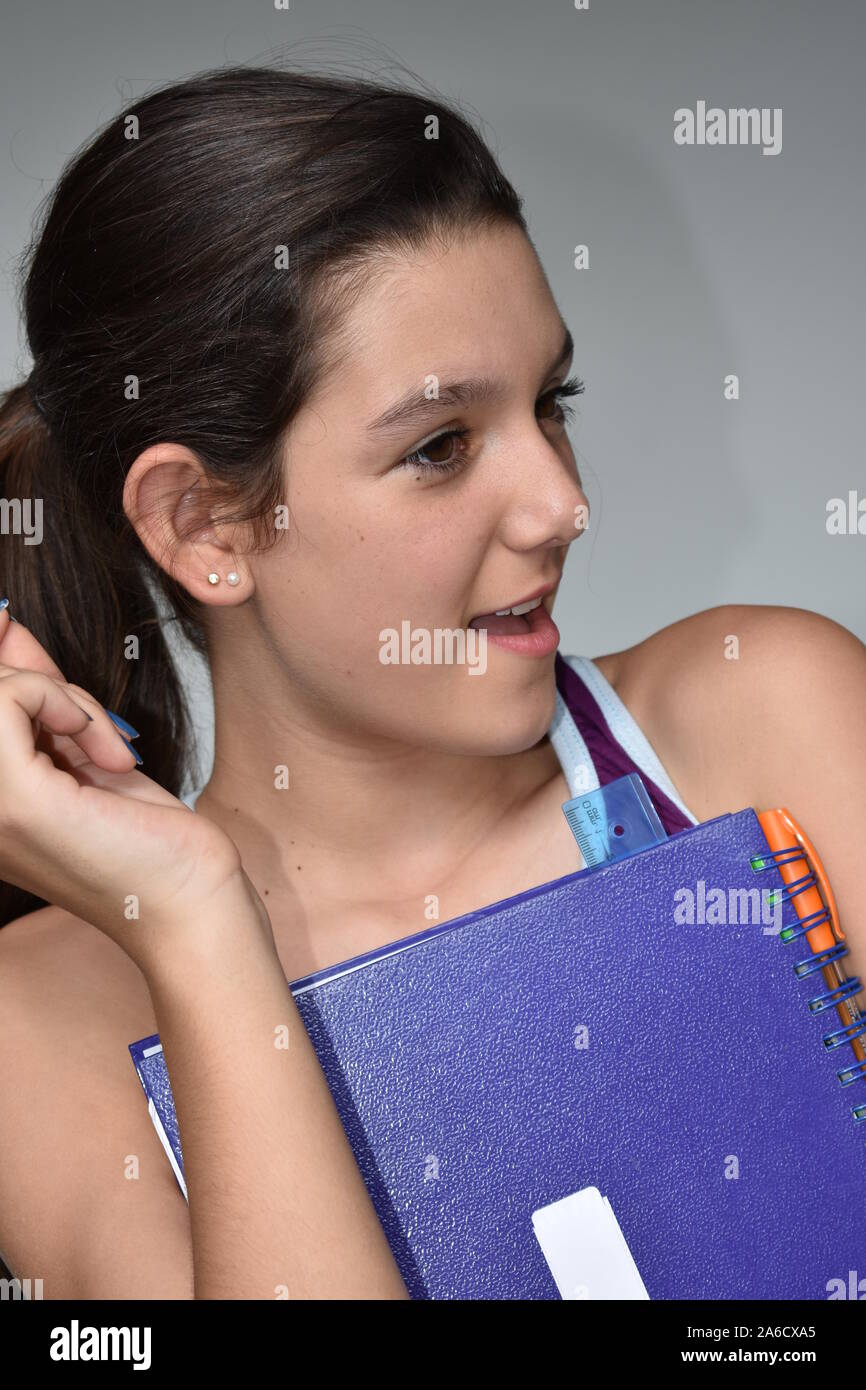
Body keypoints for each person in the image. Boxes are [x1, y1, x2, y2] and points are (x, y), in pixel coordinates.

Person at [0, 62, 864, 1302]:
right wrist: (195, 926)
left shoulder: (763, 717)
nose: (564, 504)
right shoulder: (43, 1021)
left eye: (549, 401)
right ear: (204, 526)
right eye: (440, 446)